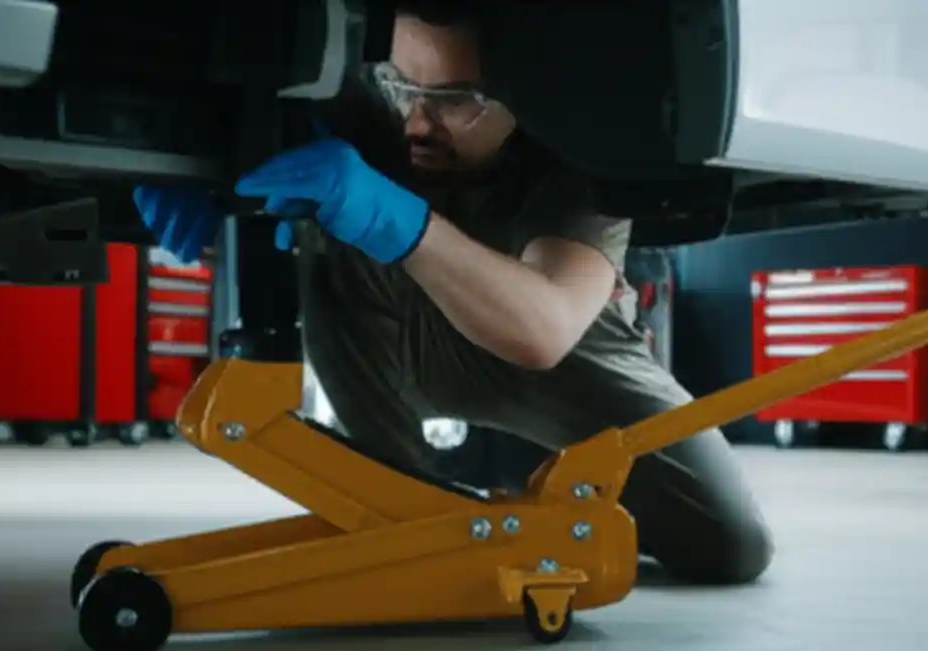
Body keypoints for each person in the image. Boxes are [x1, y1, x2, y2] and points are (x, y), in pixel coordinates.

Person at [133, 2, 773, 585]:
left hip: (545, 362)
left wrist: (394, 218)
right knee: (324, 215)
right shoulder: (371, 100)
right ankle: (395, 494)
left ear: (525, 95)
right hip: (392, 341)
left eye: (454, 100)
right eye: (402, 87)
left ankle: (515, 467)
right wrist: (199, 162)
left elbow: (544, 331)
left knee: (729, 545)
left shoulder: (576, 166)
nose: (417, 120)